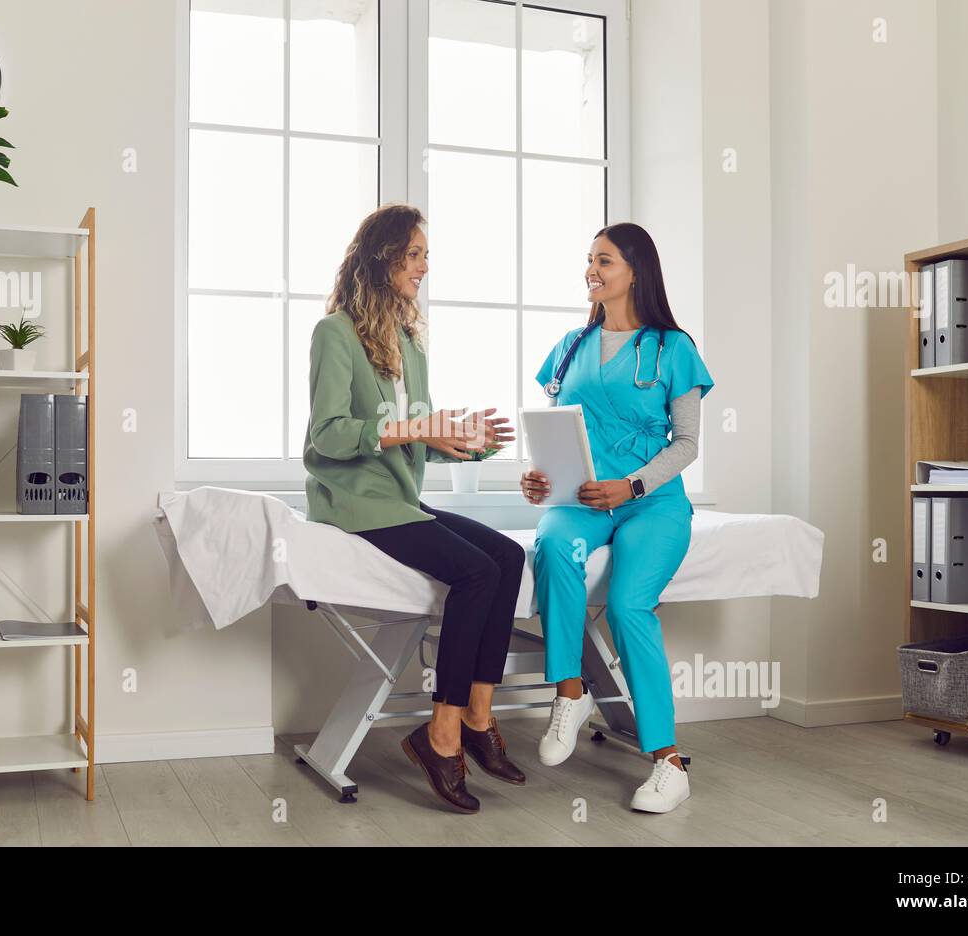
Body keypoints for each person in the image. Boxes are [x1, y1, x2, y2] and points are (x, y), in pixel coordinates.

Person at [304, 203, 526, 814]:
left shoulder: (408, 342)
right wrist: (415, 428)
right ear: (383, 258)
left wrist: (468, 444)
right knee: (477, 572)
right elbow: (328, 435)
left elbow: (414, 439)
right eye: (416, 254)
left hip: (398, 497)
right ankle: (443, 733)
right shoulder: (335, 333)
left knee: (506, 556)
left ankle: (478, 716)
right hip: (353, 502)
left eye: (425, 254)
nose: (425, 266)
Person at [522, 222, 713, 814]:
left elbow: (686, 444)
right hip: (582, 501)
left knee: (630, 603)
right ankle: (570, 693)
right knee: (552, 547)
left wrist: (630, 484)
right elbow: (555, 432)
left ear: (636, 269)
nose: (591, 271)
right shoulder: (570, 348)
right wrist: (535, 478)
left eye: (603, 261)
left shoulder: (673, 348)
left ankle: (668, 761)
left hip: (651, 504)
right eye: (589, 261)